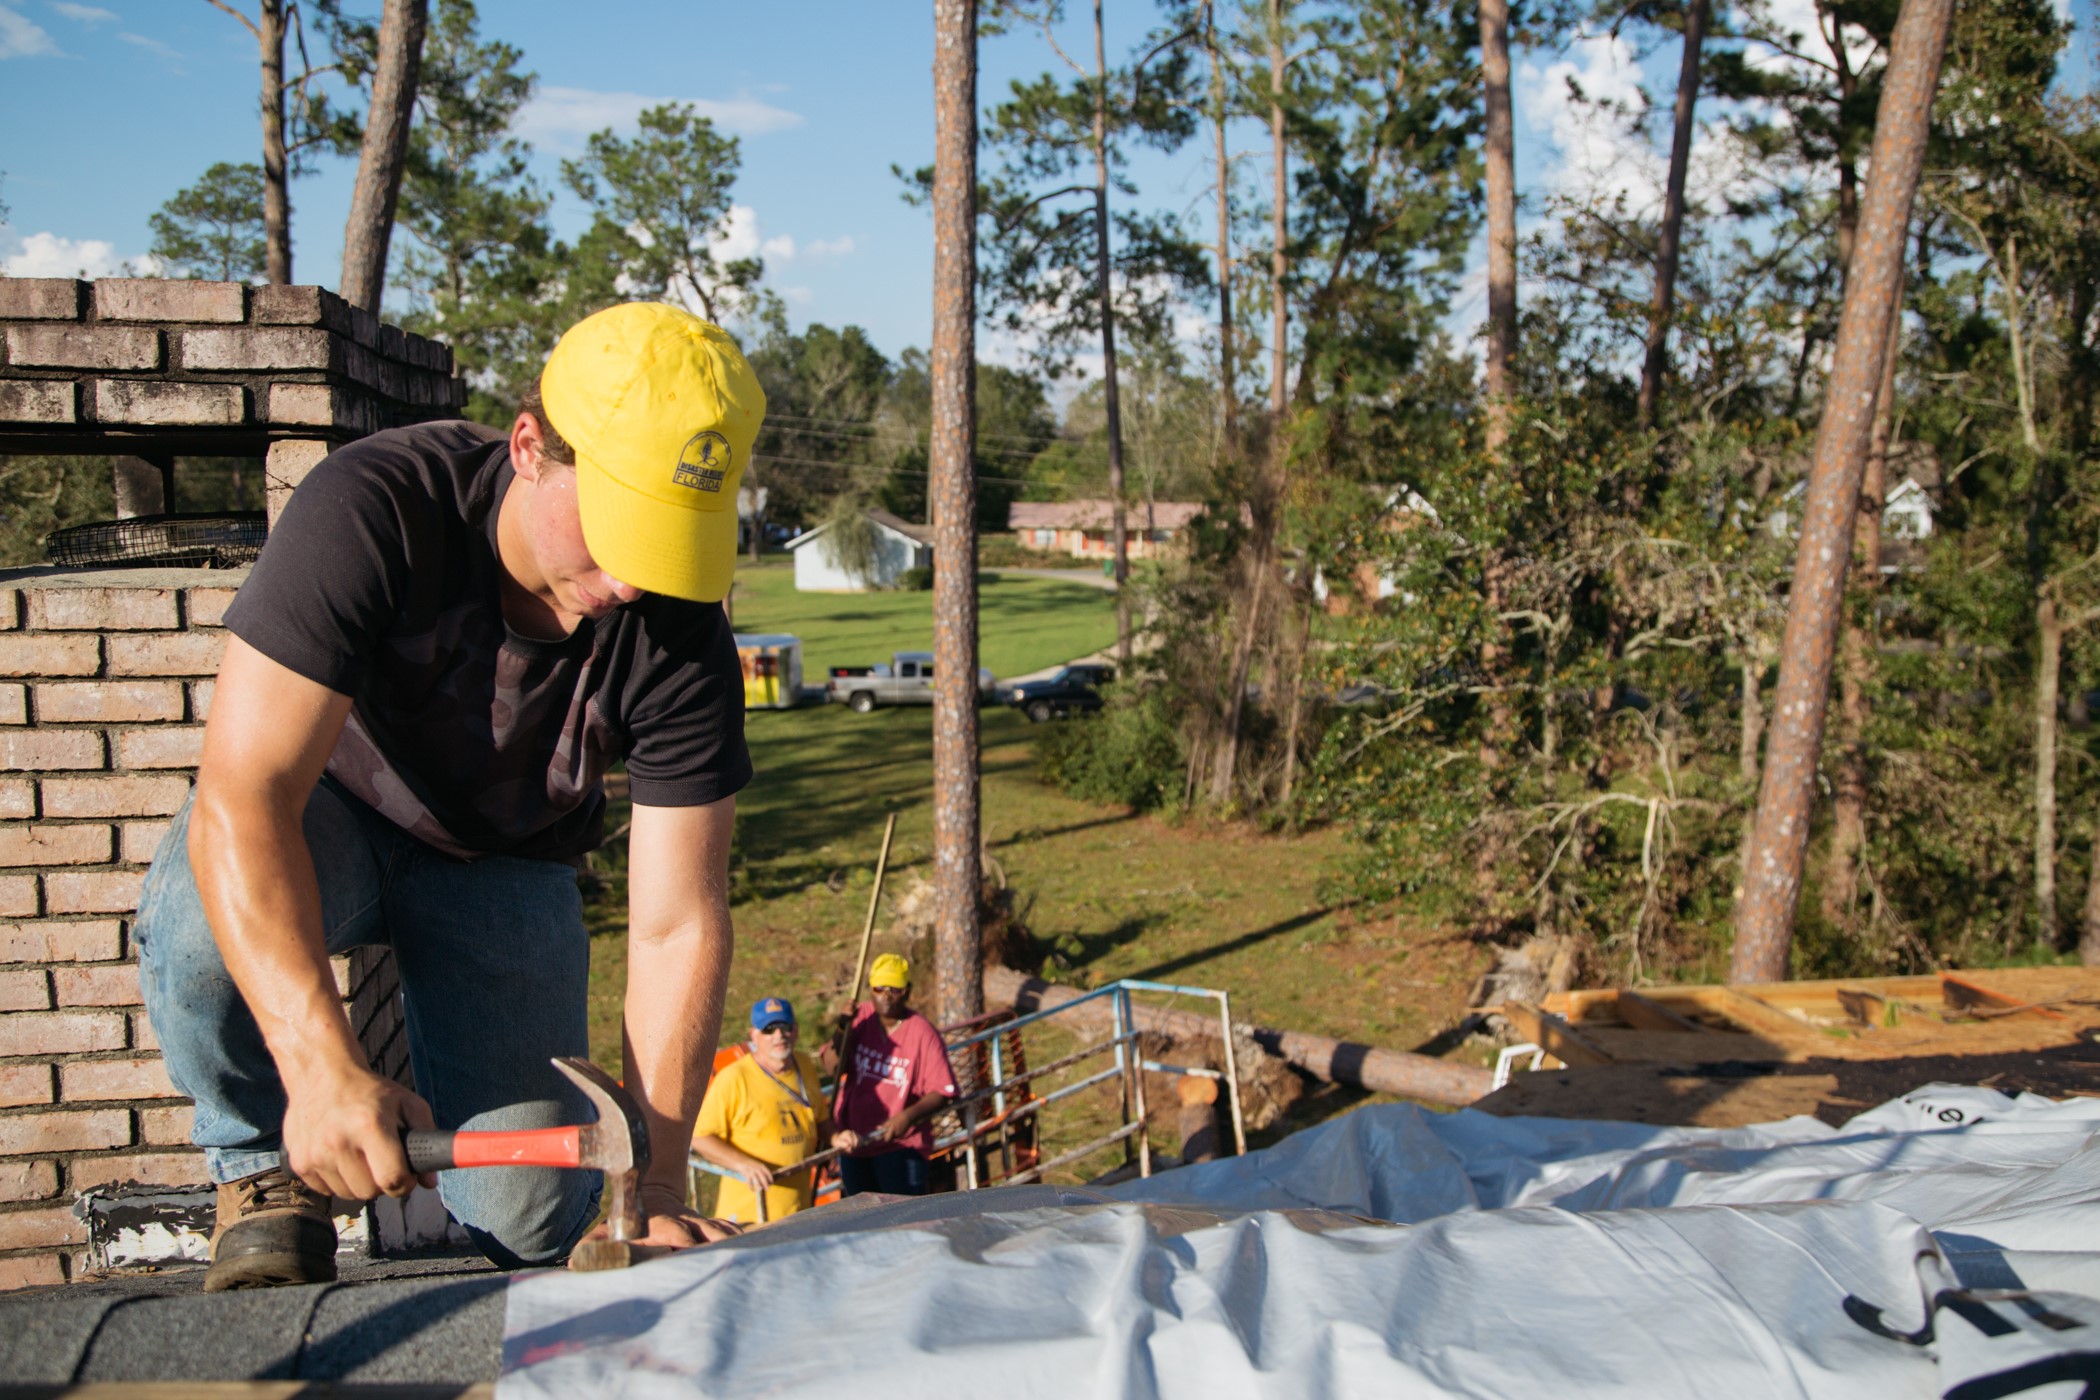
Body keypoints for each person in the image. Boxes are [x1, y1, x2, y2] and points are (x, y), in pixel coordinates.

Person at [133, 302, 764, 1290]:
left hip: (507, 861)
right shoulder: (377, 506)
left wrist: (663, 1185)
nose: (636, 580)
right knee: (189, 916)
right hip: (329, 813)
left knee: (530, 1209)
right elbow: (244, 794)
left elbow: (678, 922)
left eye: (670, 539)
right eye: (618, 525)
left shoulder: (679, 636)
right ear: (528, 447)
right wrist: (317, 1065)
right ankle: (261, 1169)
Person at [692, 997, 860, 1224]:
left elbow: (819, 1119)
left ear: (796, 1030)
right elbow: (701, 1138)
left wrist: (836, 1137)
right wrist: (744, 1165)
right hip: (749, 1217)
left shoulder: (805, 1066)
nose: (779, 1036)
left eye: (785, 1027)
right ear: (754, 1035)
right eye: (769, 1030)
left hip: (798, 1212)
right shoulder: (734, 1078)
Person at [835, 955, 959, 1197]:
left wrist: (907, 1117)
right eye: (880, 988)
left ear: (908, 992)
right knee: (861, 1223)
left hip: (900, 1147)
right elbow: (832, 1067)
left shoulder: (923, 1033)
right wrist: (842, 1029)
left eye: (895, 989)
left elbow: (943, 1090)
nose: (887, 995)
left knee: (903, 1223)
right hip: (856, 1143)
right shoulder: (860, 1018)